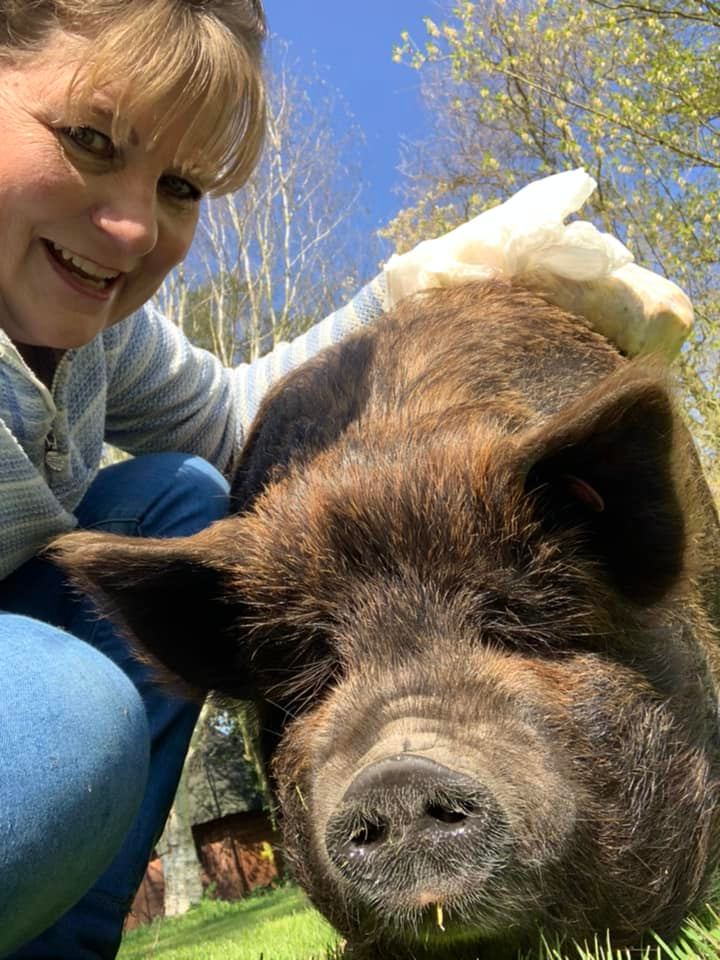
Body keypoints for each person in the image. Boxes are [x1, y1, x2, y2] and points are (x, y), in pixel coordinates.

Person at [0, 2, 689, 958]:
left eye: (179, 185)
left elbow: (233, 416)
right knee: (71, 720)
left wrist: (421, 281)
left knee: (179, 496)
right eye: (87, 139)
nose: (128, 227)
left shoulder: (97, 334)